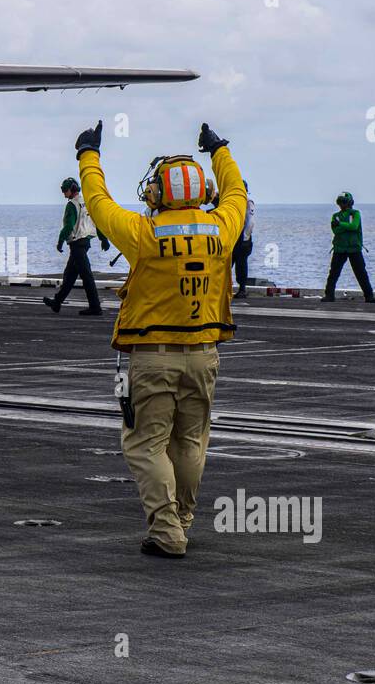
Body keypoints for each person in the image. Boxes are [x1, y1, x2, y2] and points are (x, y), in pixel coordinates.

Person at [75, 119, 247, 559]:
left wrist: (88, 155)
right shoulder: (222, 228)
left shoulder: (143, 234)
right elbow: (236, 194)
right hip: (205, 355)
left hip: (153, 358)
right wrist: (219, 150)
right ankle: (182, 519)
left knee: (144, 444)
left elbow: (97, 202)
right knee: (191, 442)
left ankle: (168, 529)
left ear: (156, 194)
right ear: (200, 192)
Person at [43, 176, 110, 316]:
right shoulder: (86, 203)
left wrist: (60, 240)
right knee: (70, 275)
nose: (63, 193)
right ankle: (57, 302)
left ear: (71, 189)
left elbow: (69, 226)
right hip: (85, 242)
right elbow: (97, 222)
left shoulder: (72, 205)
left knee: (87, 276)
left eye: (64, 190)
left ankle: (95, 307)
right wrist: (104, 239)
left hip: (77, 244)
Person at [322, 192, 375, 303]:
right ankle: (329, 295)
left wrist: (341, 224)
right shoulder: (335, 215)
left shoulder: (355, 213)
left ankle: (369, 296)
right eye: (341, 202)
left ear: (350, 203)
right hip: (339, 248)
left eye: (344, 202)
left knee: (361, 273)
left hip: (354, 248)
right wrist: (345, 226)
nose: (342, 204)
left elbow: (354, 226)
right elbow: (335, 231)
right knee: (333, 273)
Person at [232, 180, 255, 298]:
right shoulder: (237, 200)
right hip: (235, 236)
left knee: (241, 264)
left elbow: (250, 221)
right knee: (228, 263)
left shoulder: (247, 201)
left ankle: (242, 289)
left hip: (241, 237)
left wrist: (245, 237)